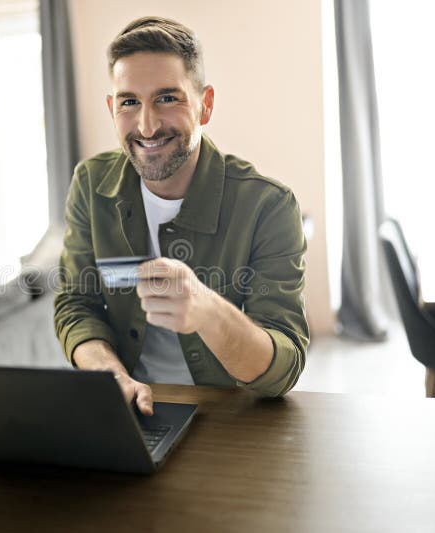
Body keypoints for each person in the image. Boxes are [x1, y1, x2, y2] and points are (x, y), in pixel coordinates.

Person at [53, 16, 309, 415]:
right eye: (129, 102)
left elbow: (283, 370)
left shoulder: (269, 205)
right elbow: (76, 302)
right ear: (112, 108)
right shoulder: (90, 183)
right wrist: (111, 375)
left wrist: (207, 310)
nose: (147, 125)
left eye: (167, 98)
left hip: (229, 417)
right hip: (129, 413)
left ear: (205, 105)